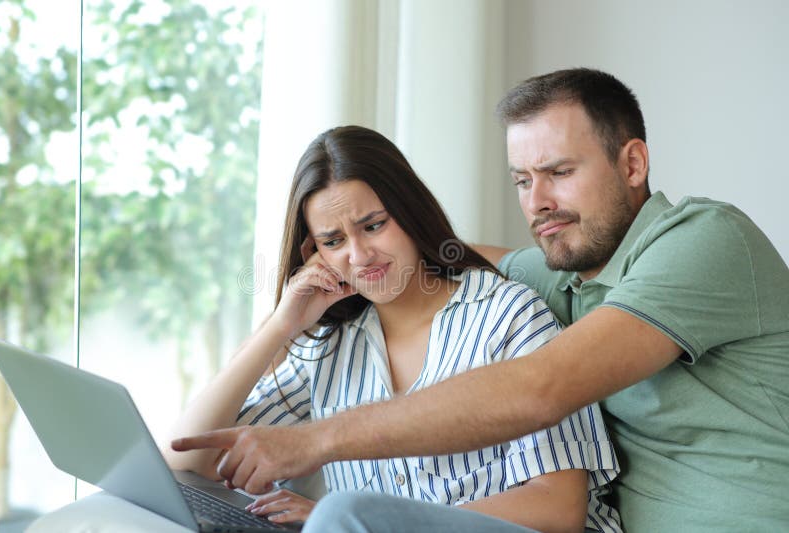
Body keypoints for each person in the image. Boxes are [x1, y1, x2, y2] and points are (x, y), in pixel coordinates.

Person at [173, 70, 789, 532]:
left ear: (632, 164)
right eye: (523, 181)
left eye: (559, 172)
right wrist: (331, 278)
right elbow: (455, 255)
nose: (537, 201)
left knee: (345, 518)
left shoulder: (706, 241)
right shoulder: (560, 276)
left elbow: (540, 389)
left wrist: (319, 442)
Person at [166, 125, 622, 532]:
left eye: (374, 225)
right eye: (333, 241)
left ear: (409, 211)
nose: (360, 255)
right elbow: (185, 461)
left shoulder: (508, 315)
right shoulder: (329, 346)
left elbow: (559, 510)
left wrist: (368, 521)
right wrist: (280, 326)